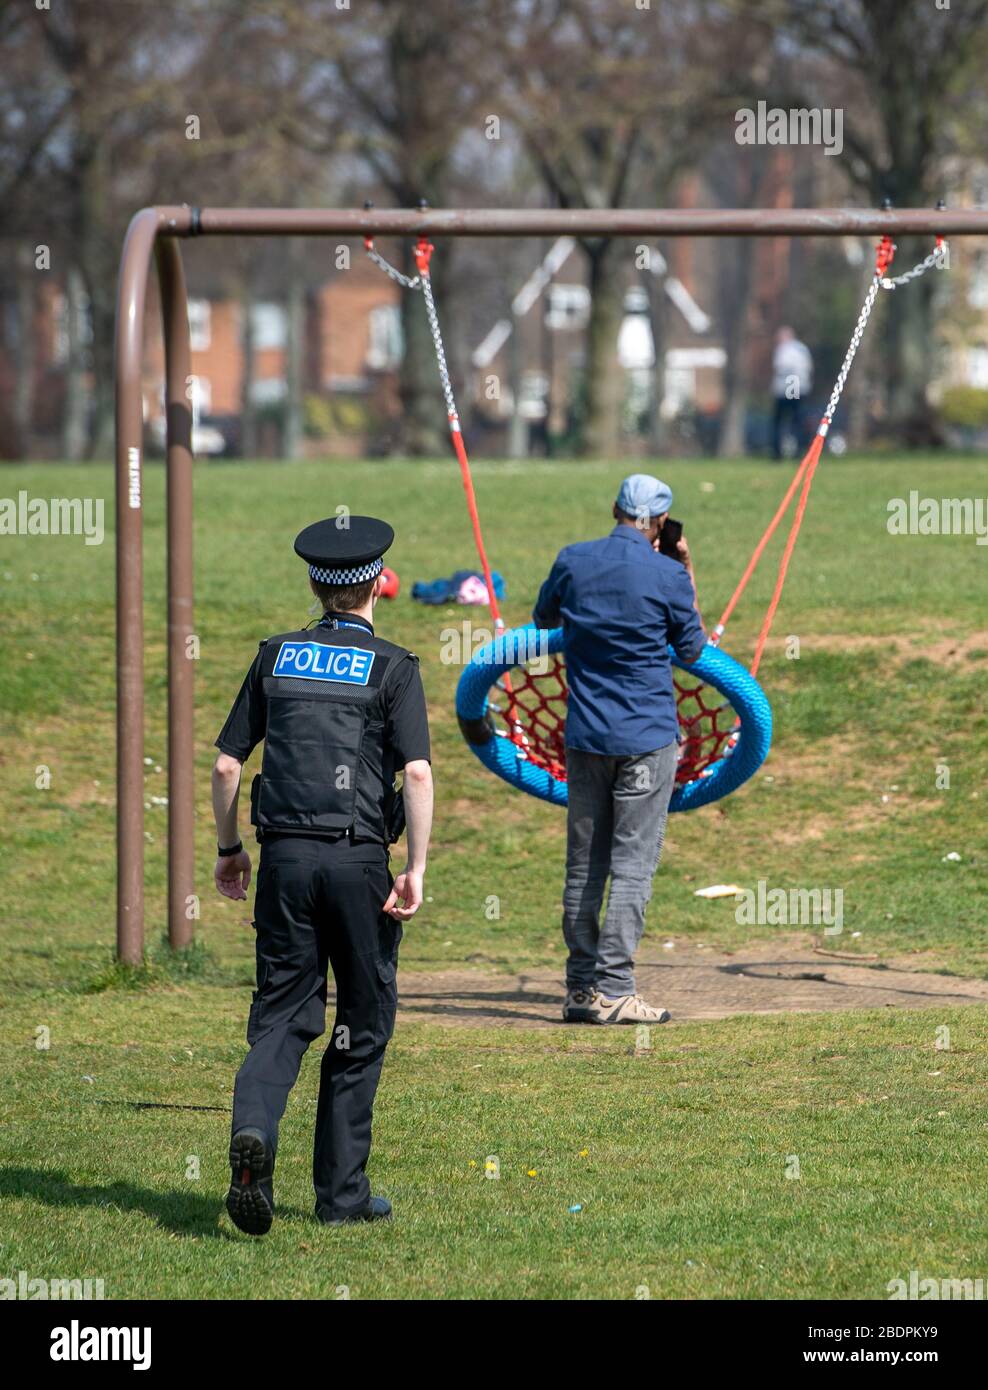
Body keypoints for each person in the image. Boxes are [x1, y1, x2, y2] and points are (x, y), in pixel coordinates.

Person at [211, 515, 433, 1233]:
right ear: (376, 585)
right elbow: (420, 775)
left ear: (315, 584)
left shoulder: (276, 656)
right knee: (360, 1022)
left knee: (282, 1016)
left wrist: (228, 850)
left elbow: (224, 764)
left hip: (283, 859)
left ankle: (255, 1135)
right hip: (358, 859)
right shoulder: (395, 667)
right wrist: (415, 868)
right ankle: (341, 1198)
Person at [533, 475, 705, 1025]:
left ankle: (580, 989)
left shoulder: (573, 559)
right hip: (647, 739)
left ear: (613, 509)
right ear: (659, 523)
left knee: (584, 866)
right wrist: (685, 568)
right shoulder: (668, 573)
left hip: (585, 736)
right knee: (632, 866)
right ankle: (616, 987)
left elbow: (544, 620)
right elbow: (694, 647)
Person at [771, 325, 814, 460]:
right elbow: (808, 367)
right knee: (797, 420)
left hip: (789, 385)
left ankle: (779, 452)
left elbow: (781, 367)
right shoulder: (802, 348)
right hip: (799, 385)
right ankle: (799, 450)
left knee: (782, 421)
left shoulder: (784, 349)